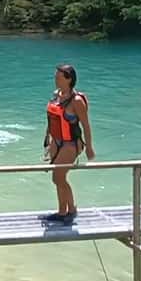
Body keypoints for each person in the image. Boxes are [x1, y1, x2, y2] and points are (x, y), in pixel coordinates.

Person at [43, 64, 95, 224]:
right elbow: (51, 118)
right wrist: (47, 139)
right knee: (58, 178)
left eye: (59, 78)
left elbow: (86, 125)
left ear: (69, 79)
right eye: (55, 77)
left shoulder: (77, 101)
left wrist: (90, 148)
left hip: (70, 143)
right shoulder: (56, 95)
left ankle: (71, 210)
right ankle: (62, 211)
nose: (56, 80)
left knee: (58, 177)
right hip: (56, 141)